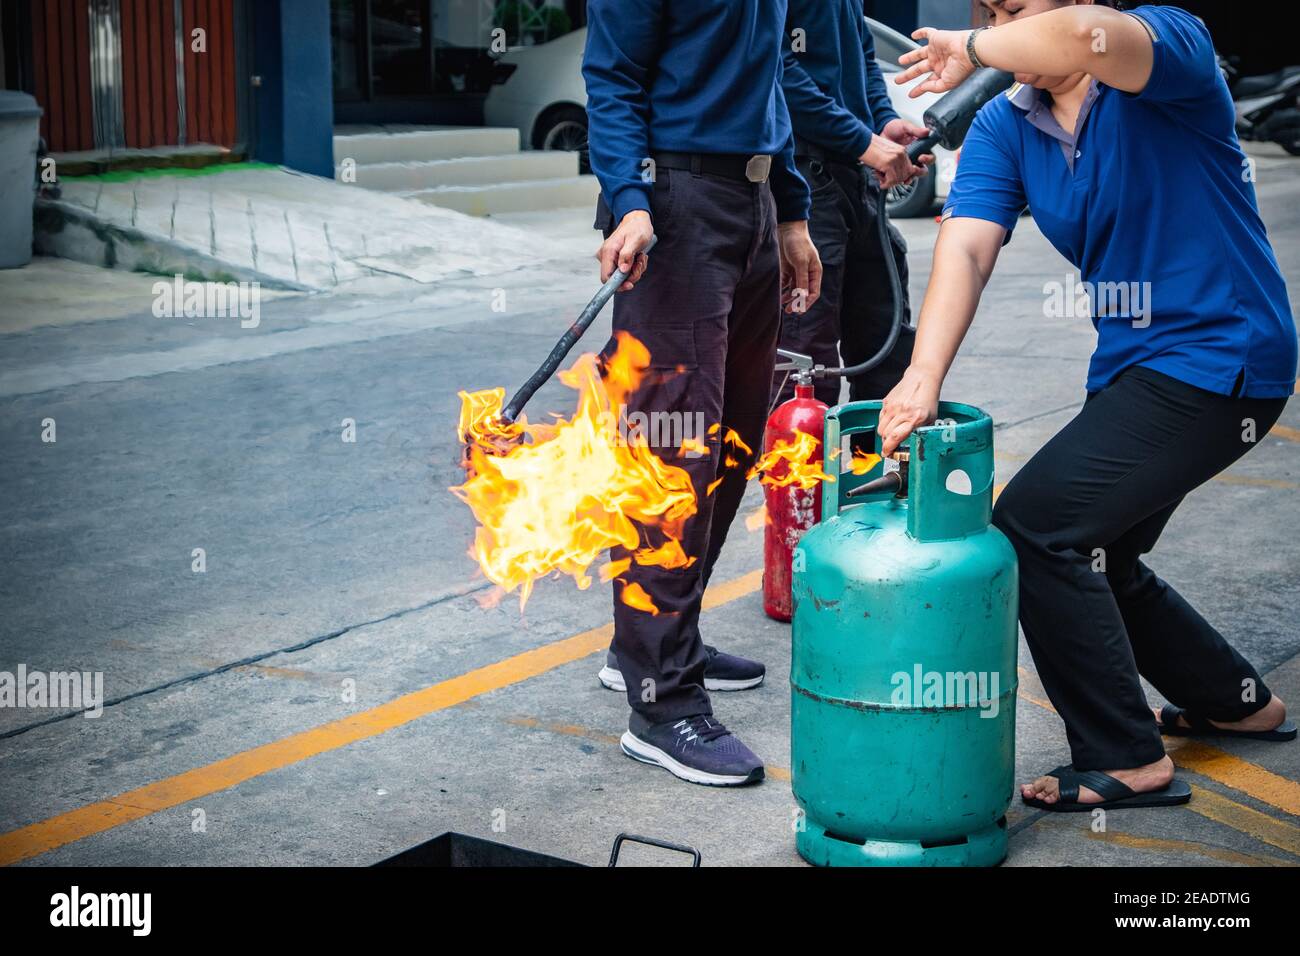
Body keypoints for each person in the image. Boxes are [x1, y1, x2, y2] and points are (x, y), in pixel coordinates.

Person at [882, 0, 1298, 812]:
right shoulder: (1010, 124)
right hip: (1133, 365)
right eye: (988, 9)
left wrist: (972, 47)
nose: (1000, 22)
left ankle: (1126, 757)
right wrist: (920, 376)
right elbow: (968, 243)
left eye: (1018, 9)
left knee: (1036, 528)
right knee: (1102, 548)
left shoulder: (1162, 55)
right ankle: (1236, 702)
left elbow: (1081, 37)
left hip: (1224, 357)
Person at [582, 0, 823, 787]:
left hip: (749, 207)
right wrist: (630, 199)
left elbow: (769, 88)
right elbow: (611, 77)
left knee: (734, 443)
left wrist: (790, 212)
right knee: (670, 459)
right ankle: (660, 705)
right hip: (675, 209)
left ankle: (657, 646)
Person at [775, 0, 931, 408]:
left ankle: (879, 466)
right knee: (805, 360)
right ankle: (800, 472)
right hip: (802, 179)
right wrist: (862, 140)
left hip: (856, 179)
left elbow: (863, 58)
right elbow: (775, 73)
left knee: (887, 345)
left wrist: (883, 124)